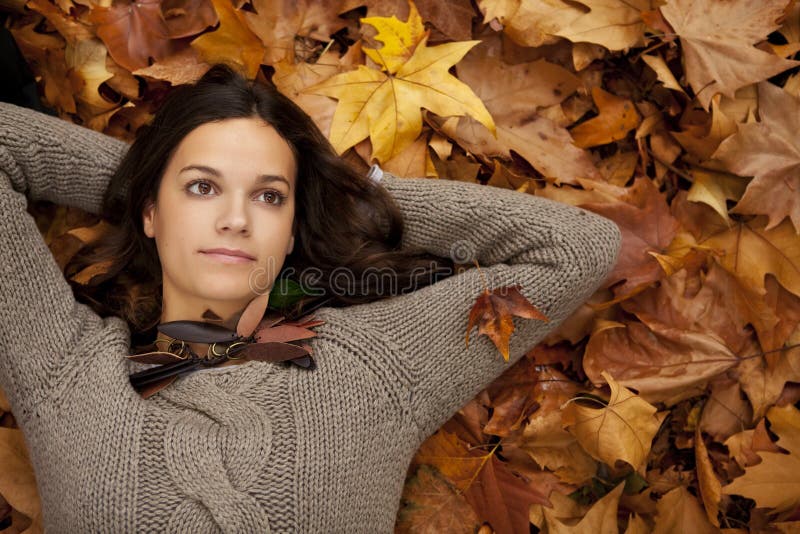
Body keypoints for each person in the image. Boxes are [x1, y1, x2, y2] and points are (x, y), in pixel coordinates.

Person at [0, 62, 621, 532]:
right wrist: (143, 176)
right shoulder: (68, 369)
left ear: (293, 227)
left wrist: (346, 200)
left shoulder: (371, 366)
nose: (236, 218)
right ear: (151, 213)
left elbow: (576, 247)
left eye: (269, 195)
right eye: (201, 188)